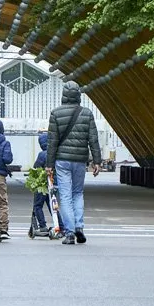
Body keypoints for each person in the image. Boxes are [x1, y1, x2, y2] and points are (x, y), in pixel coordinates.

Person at [44, 80, 101, 245]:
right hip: (80, 160)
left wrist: (49, 164)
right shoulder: (87, 113)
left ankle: (69, 233)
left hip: (62, 161)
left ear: (64, 95)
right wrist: (97, 161)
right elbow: (93, 139)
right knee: (78, 193)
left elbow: (52, 142)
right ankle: (79, 227)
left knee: (66, 195)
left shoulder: (55, 114)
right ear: (78, 96)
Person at [30, 131, 52, 237]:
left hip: (42, 184)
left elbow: (36, 168)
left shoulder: (42, 154)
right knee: (52, 206)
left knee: (38, 205)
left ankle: (42, 226)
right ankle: (60, 224)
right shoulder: (54, 153)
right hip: (52, 184)